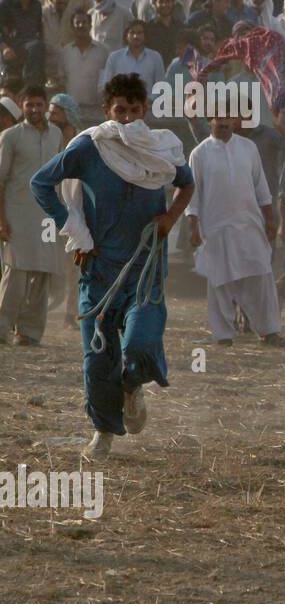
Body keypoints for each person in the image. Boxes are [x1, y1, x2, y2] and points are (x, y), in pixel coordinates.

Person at [30, 74, 195, 459]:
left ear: (145, 111)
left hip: (145, 270)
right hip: (99, 269)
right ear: (107, 111)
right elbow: (41, 183)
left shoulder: (160, 149)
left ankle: (132, 387)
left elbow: (186, 184)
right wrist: (75, 231)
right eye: (119, 110)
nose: (126, 118)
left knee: (140, 344)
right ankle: (102, 432)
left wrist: (170, 217)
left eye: (134, 110)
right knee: (98, 358)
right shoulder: (90, 147)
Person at [187, 113, 285, 347]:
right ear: (210, 120)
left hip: (249, 224)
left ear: (235, 121)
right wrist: (193, 227)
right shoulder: (199, 153)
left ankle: (269, 331)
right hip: (215, 227)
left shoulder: (248, 147)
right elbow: (193, 194)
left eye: (228, 118)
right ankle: (223, 335)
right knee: (219, 280)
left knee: (261, 274)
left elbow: (261, 186)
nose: (223, 123)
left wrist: (270, 219)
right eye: (218, 118)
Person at [0, 87, 66, 344]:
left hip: (47, 216)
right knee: (15, 273)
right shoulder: (10, 137)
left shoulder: (57, 135)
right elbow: (1, 182)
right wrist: (2, 220)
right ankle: (2, 328)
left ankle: (29, 332)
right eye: (30, 105)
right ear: (21, 105)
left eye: (40, 105)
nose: (35, 110)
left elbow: (60, 177)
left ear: (46, 106)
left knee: (42, 273)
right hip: (17, 213)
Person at [0, 0, 45, 86]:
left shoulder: (37, 5)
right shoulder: (5, 5)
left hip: (31, 50)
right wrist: (4, 48)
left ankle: (30, 85)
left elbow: (40, 29)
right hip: (11, 49)